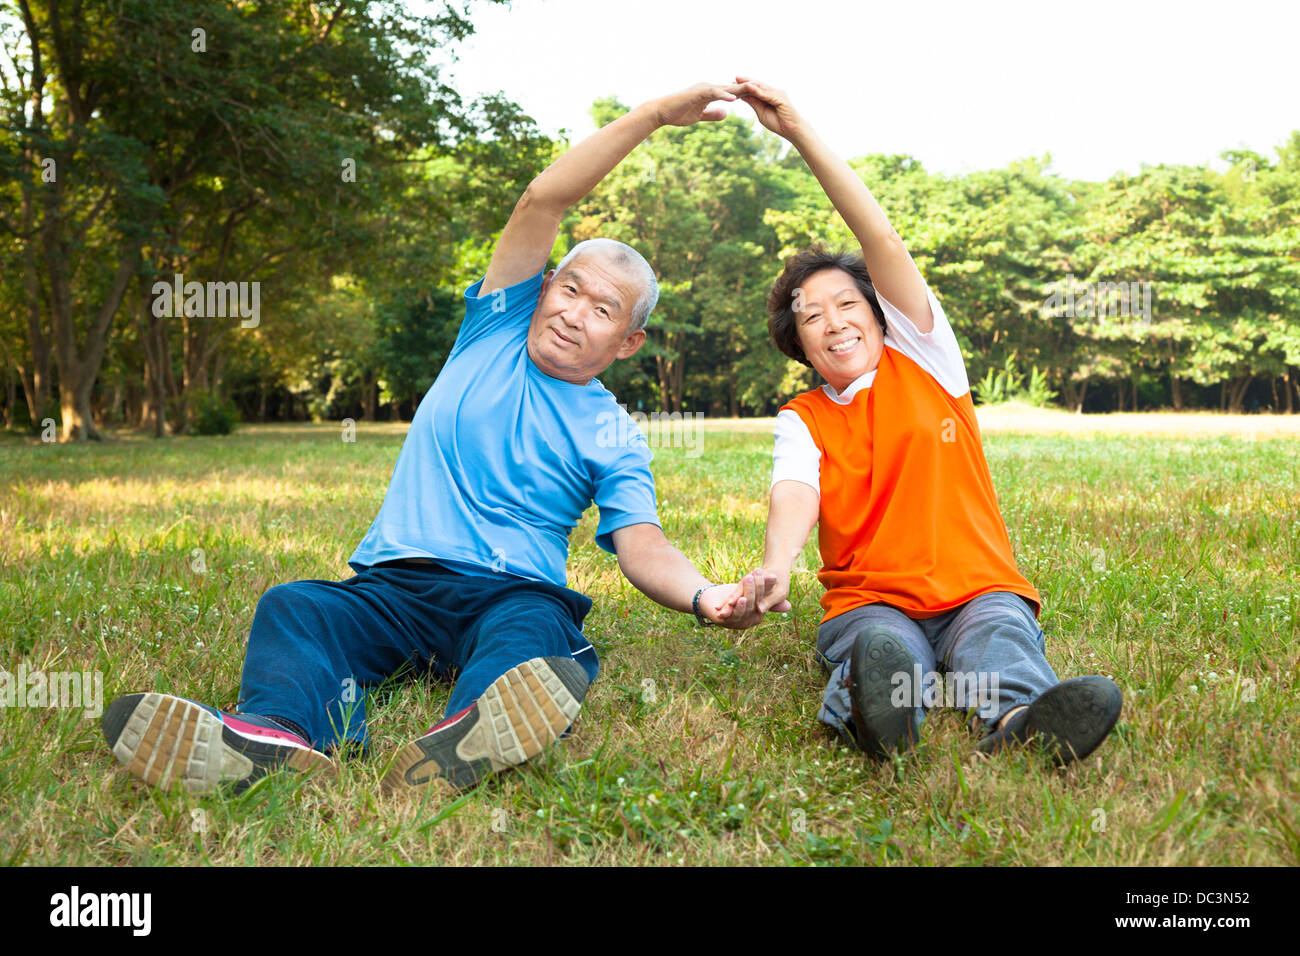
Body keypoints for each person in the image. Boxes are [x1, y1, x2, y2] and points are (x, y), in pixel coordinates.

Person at [102, 81, 787, 795]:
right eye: (570, 288)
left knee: (530, 640)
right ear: (546, 286)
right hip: (394, 587)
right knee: (296, 606)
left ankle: (465, 737)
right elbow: (542, 202)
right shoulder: (491, 331)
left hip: (509, 593)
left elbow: (644, 546)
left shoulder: (613, 432)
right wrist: (652, 116)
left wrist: (709, 597)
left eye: (603, 308)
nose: (575, 312)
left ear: (628, 341)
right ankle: (275, 735)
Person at [718, 78, 1122, 765]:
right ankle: (879, 718)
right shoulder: (804, 417)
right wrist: (774, 565)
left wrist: (797, 131)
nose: (833, 323)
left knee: (1000, 635)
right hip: (872, 601)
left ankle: (1024, 723)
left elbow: (876, 233)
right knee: (882, 649)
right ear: (799, 344)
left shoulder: (930, 361)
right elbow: (796, 490)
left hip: (975, 587)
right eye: (810, 317)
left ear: (880, 316)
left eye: (847, 304)